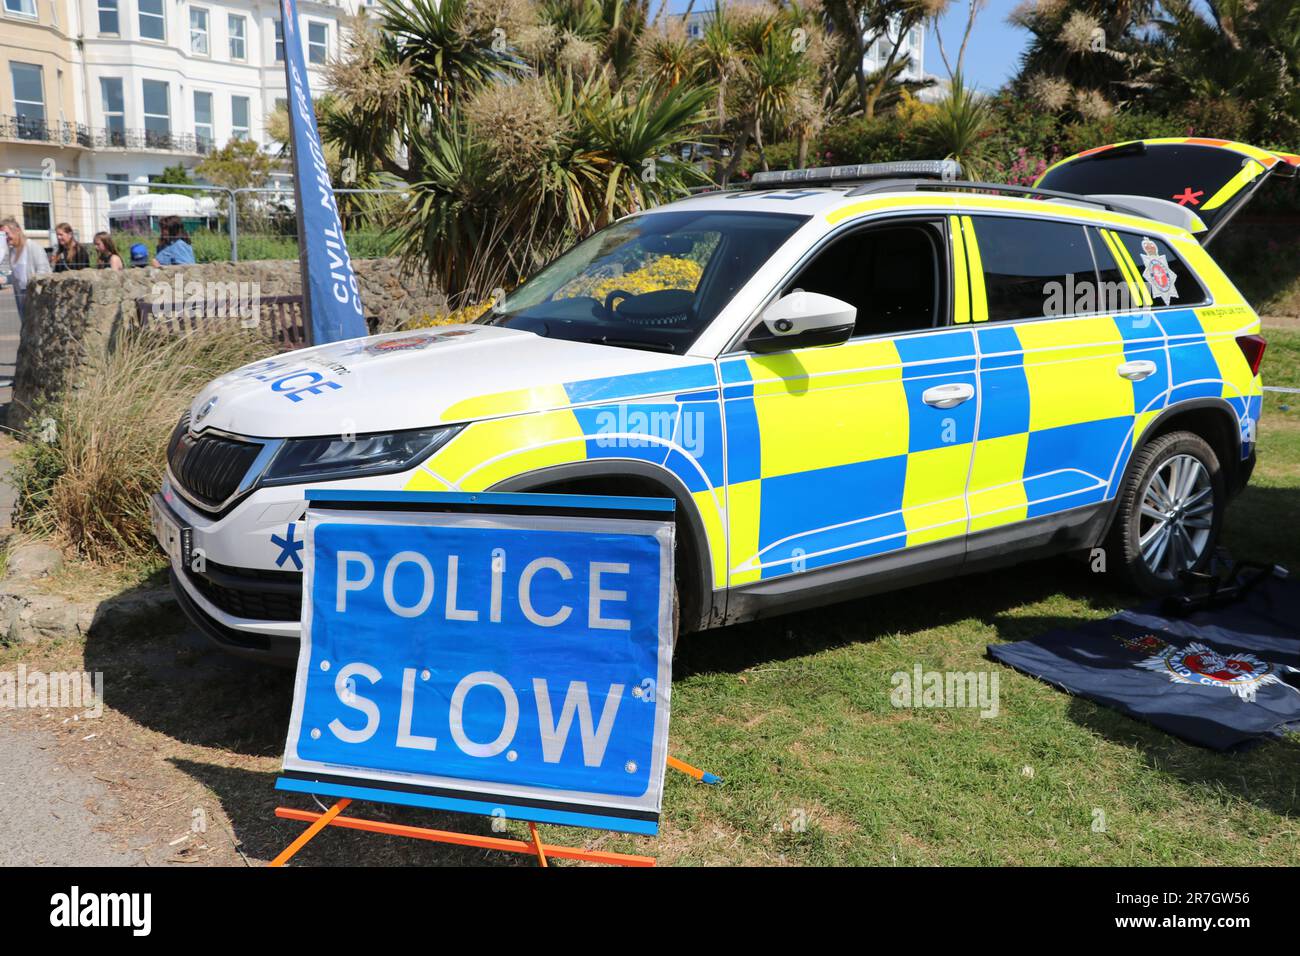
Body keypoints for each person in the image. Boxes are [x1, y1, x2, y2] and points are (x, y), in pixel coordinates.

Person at [0, 216, 52, 320]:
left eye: (6, 234)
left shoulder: (33, 247)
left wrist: (33, 289)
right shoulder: (12, 251)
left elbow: (45, 272)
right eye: (2, 236)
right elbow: (17, 276)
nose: (5, 238)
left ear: (17, 230)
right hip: (21, 297)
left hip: (35, 296)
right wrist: (5, 279)